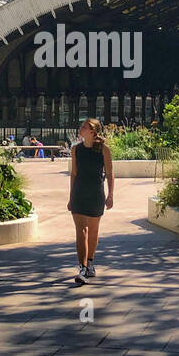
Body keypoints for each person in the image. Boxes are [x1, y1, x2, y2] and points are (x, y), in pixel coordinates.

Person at [67, 117, 114, 284]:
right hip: (79, 193)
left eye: (84, 126)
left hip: (96, 194)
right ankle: (82, 267)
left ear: (92, 131)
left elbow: (109, 173)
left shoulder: (103, 150)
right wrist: (71, 197)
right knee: (81, 232)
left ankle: (91, 262)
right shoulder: (76, 149)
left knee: (93, 231)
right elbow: (74, 174)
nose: (80, 128)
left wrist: (110, 195)